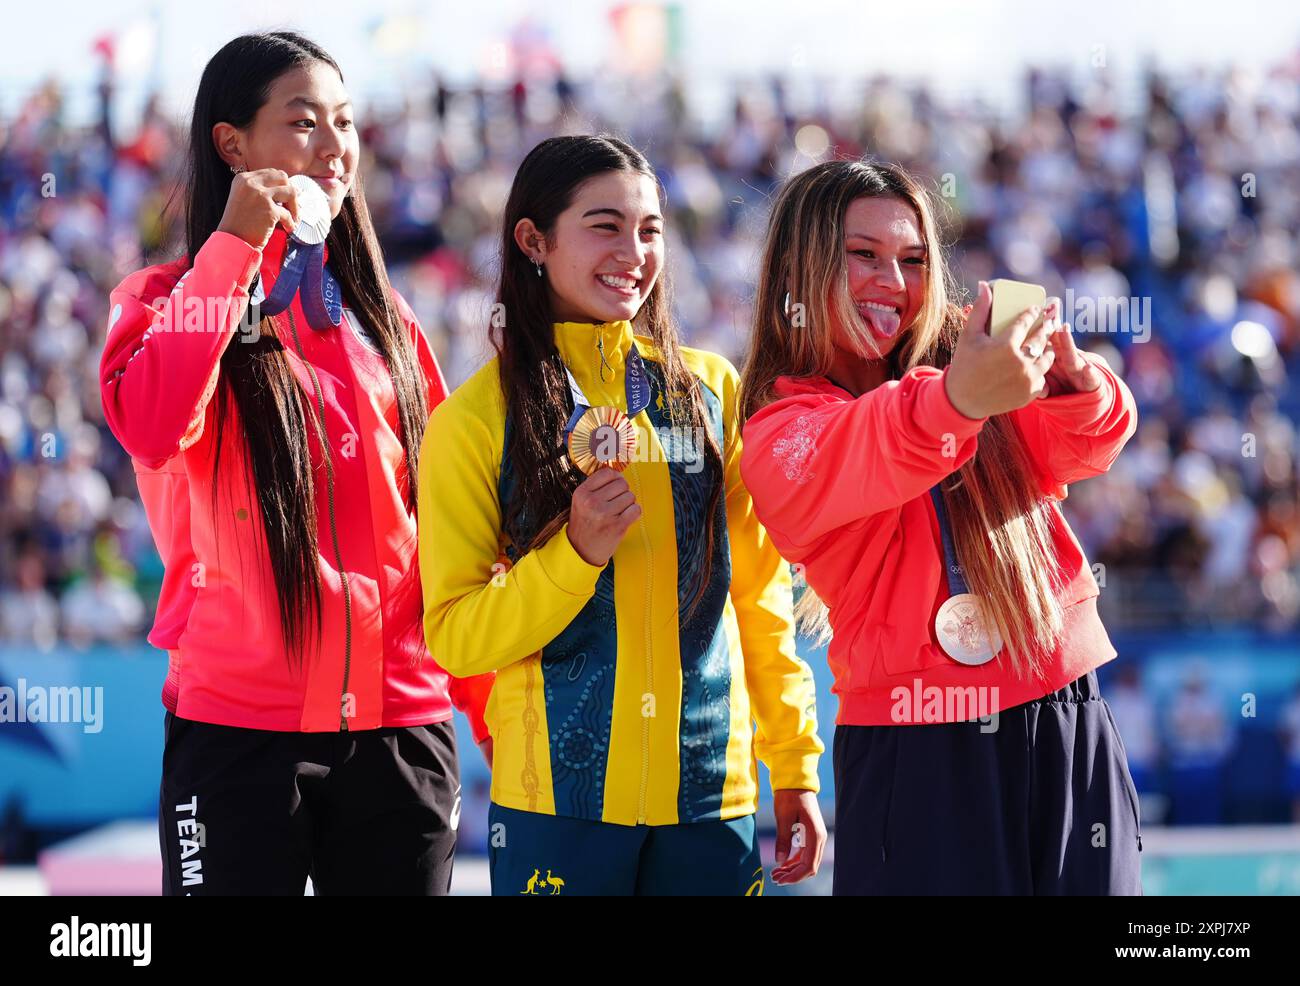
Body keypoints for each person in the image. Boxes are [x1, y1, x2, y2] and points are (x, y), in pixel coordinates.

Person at [98, 31, 492, 895]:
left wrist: (490, 707)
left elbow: (444, 526)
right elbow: (155, 425)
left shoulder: (384, 319)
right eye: (304, 122)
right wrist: (233, 253)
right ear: (231, 143)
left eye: (345, 123)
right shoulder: (163, 300)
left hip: (403, 726)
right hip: (237, 736)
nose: (334, 145)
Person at [419, 134, 826, 895]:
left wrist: (795, 765)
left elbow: (761, 598)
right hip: (553, 809)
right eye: (605, 226)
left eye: (651, 230)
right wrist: (574, 553)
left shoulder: (710, 394)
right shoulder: (474, 421)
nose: (634, 252)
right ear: (533, 241)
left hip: (712, 799)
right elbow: (456, 636)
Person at [738, 159, 1142, 895]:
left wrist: (1074, 382)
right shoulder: (778, 430)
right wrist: (959, 396)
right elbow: (880, 440)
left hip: (1065, 714)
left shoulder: (977, 361)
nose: (893, 281)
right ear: (800, 267)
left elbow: (1087, 446)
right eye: (863, 255)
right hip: (913, 749)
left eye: (914, 260)